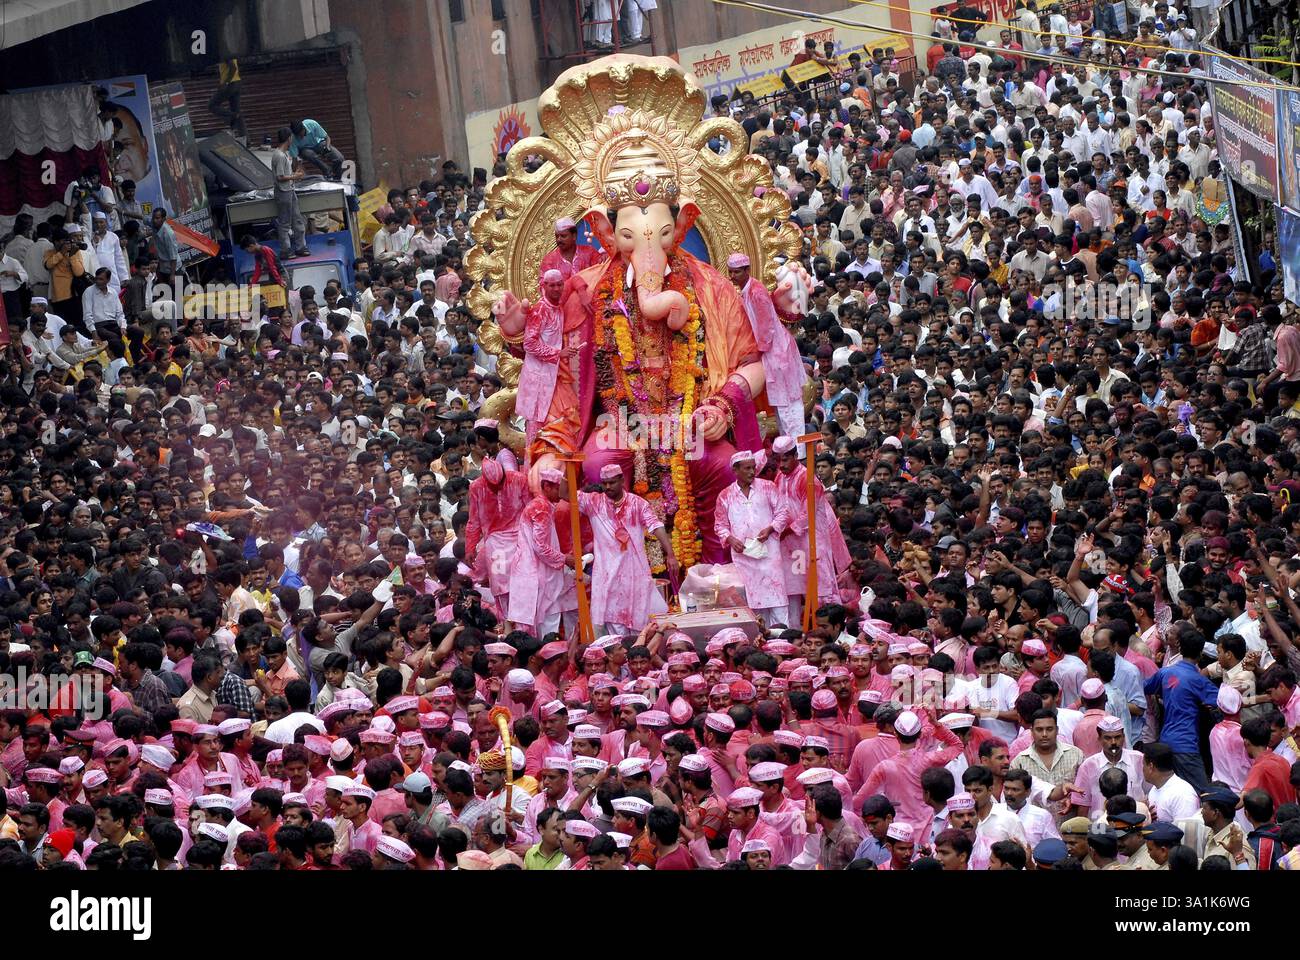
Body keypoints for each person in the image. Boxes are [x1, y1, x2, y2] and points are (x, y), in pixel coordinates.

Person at [714, 450, 791, 626]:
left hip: (769, 553)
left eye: (753, 468)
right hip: (743, 558)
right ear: (735, 471)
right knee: (752, 602)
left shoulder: (768, 487)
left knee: (777, 598)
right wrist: (731, 539)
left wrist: (770, 529)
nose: (751, 472)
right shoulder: (725, 495)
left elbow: (782, 513)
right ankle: (760, 640)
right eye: (747, 468)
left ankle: (782, 641)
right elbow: (720, 525)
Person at [271, 125, 311, 260]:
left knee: (297, 219)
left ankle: (301, 247)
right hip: (283, 192)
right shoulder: (279, 156)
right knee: (284, 222)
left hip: (289, 190)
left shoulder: (284, 154)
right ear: (289, 138)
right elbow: (280, 177)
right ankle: (286, 250)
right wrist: (295, 176)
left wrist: (294, 174)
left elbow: (285, 174)